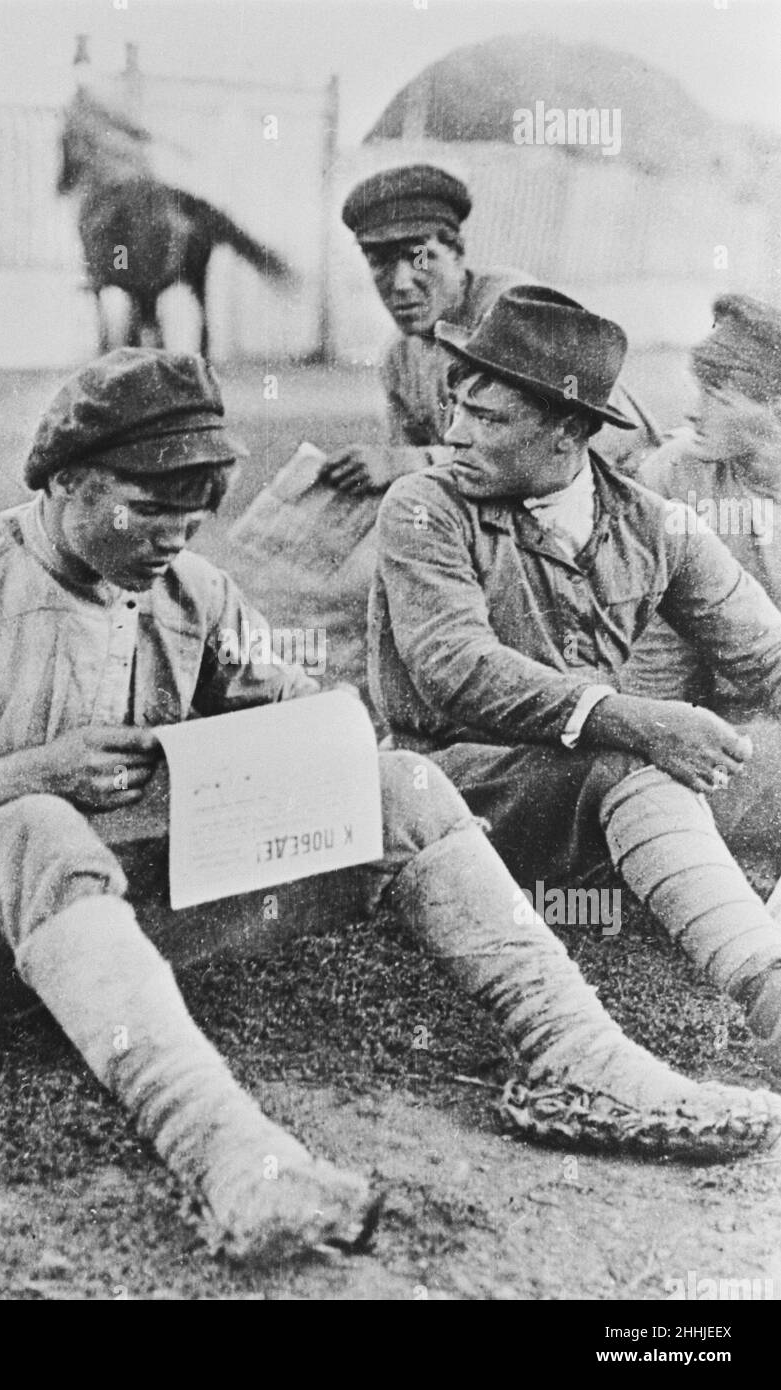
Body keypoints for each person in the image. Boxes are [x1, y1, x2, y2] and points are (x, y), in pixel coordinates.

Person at [0, 350, 781, 1267]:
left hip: (98, 913)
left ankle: (582, 1055)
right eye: (149, 511)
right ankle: (230, 1159)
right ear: (64, 481)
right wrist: (27, 775)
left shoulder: (187, 589)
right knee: (41, 829)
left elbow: (295, 710)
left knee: (398, 784)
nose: (171, 541)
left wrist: (313, 726)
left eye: (192, 520)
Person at [370, 284, 781, 1077]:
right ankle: (766, 986)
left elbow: (765, 656)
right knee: (629, 756)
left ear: (567, 433)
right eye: (458, 407)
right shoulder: (423, 508)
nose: (452, 435)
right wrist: (628, 717)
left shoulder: (652, 523)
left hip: (608, 809)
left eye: (486, 419)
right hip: (462, 802)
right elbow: (455, 669)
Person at [320, 164, 658, 497]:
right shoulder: (400, 355)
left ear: (457, 252)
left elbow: (552, 453)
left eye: (419, 257)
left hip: (615, 497)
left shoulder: (514, 310)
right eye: (379, 261)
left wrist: (409, 462)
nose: (400, 283)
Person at [623, 293, 781, 722]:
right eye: (700, 392)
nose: (693, 413)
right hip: (714, 713)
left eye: (719, 398)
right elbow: (658, 640)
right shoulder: (674, 473)